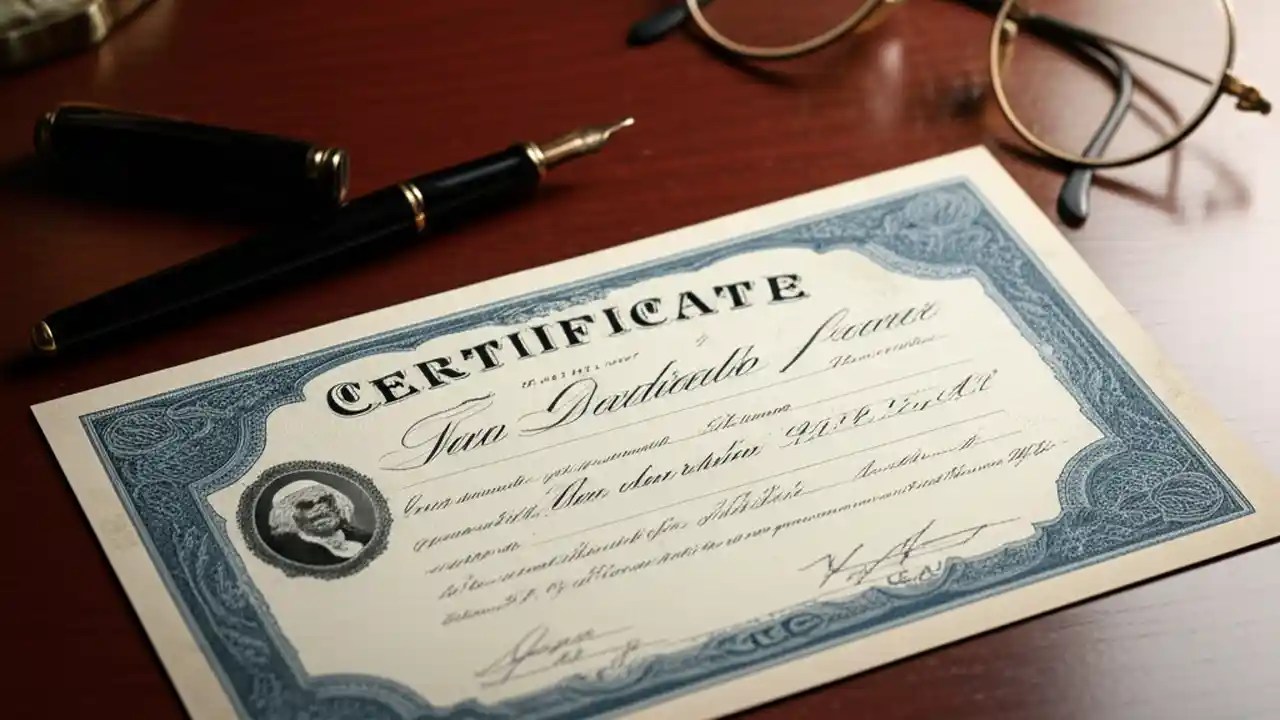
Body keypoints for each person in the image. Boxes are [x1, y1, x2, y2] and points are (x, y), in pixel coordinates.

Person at [265, 479, 372, 566]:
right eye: (307, 505)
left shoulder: (367, 538)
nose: (321, 508)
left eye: (324, 500)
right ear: (292, 517)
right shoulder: (290, 555)